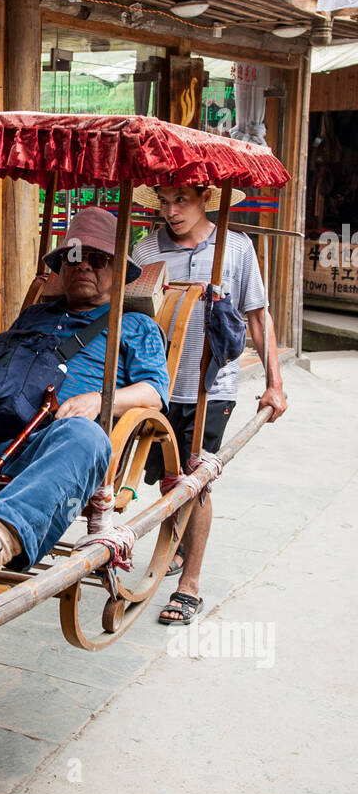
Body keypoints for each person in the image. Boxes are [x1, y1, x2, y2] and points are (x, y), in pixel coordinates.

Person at [0, 208, 171, 584]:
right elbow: (2, 371)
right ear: (61, 268)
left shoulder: (134, 324)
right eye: (74, 258)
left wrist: (100, 399)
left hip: (47, 445)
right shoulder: (36, 315)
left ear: (118, 272)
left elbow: (155, 393)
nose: (84, 267)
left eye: (98, 260)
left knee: (87, 436)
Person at [133, 182, 288, 625]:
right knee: (165, 476)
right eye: (163, 202)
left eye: (180, 200)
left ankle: (190, 586)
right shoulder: (146, 252)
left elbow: (257, 315)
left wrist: (274, 384)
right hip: (157, 385)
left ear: (205, 199)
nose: (171, 210)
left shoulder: (235, 249)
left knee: (196, 479)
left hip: (211, 387)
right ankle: (179, 545)